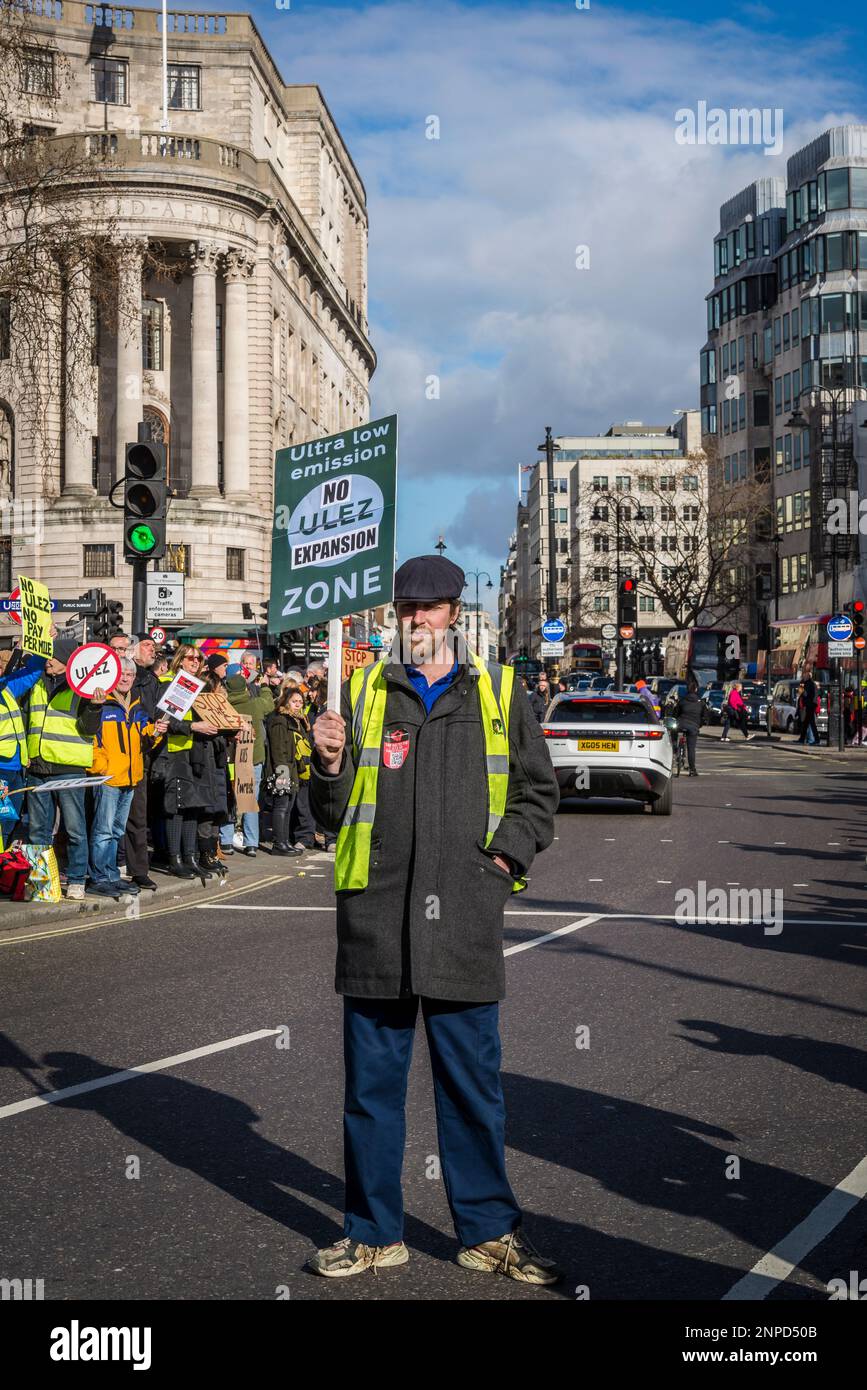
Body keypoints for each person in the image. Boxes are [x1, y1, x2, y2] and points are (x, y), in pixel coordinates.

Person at [307, 553, 562, 1284]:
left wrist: (501, 866)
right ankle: (371, 1232)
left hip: (462, 920)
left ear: (454, 610)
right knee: (369, 1093)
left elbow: (536, 795)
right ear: (394, 613)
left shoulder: (499, 689)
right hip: (376, 923)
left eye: (432, 607)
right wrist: (324, 766)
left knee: (471, 1091)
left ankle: (487, 1232)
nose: (418, 619)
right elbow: (329, 814)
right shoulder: (360, 691)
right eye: (406, 608)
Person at [25, 638, 106, 900]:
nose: (49, 661)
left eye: (54, 657)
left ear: (68, 661)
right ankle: (41, 883)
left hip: (68, 768)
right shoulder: (36, 682)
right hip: (37, 765)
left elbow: (89, 729)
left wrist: (94, 707)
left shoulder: (82, 689)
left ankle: (76, 880)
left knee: (74, 828)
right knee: (38, 829)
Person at [88, 657, 169, 898]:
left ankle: (111, 875)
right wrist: (102, 768)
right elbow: (91, 739)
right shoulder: (102, 702)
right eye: (122, 673)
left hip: (130, 778)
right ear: (113, 676)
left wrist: (155, 732)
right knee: (103, 831)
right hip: (110, 778)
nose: (125, 677)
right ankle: (99, 877)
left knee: (116, 832)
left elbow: (144, 737)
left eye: (130, 675)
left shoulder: (136, 704)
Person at [149, 646, 220, 878]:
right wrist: (193, 727)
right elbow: (164, 720)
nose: (196, 662)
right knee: (176, 808)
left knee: (193, 807)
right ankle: (174, 858)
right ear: (180, 660)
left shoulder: (198, 686)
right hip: (175, 753)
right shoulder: (171, 683)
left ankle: (190, 857)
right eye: (191, 658)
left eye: (200, 659)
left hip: (195, 753)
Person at [220, 673, 275, 857]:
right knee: (250, 799)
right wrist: (265, 686)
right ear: (245, 688)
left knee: (230, 798)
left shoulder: (225, 707)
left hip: (230, 759)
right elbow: (270, 703)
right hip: (253, 759)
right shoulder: (256, 704)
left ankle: (226, 841)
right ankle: (251, 843)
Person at [122, 635, 161, 891]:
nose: (154, 650)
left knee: (137, 817)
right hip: (111, 762)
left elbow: (152, 717)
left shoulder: (150, 680)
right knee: (108, 822)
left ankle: (138, 870)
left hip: (139, 758)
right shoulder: (116, 684)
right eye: (148, 645)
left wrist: (156, 732)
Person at [0, 644, 48, 849]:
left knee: (11, 821)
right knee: (2, 823)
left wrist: (44, 642)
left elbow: (34, 670)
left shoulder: (6, 687)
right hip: (2, 768)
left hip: (16, 768)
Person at [264, 688, 306, 856]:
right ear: (286, 701)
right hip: (283, 769)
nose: (298, 705)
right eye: (294, 701)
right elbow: (278, 748)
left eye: (301, 702)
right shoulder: (280, 720)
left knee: (288, 806)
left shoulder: (297, 721)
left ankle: (285, 841)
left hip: (293, 768)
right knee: (281, 806)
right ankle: (279, 843)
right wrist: (282, 772)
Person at [673, 678, 705, 776]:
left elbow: (675, 714)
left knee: (673, 730)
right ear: (696, 690)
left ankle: (674, 747)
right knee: (691, 748)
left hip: (680, 723)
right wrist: (699, 725)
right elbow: (705, 716)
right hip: (693, 726)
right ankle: (692, 770)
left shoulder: (682, 701)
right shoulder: (701, 702)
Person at [798, 674, 819, 746]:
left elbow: (804, 694)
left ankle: (817, 740)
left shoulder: (808, 684)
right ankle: (802, 739)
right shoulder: (811, 683)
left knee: (812, 723)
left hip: (810, 705)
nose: (803, 677)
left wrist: (801, 686)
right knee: (806, 723)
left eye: (804, 676)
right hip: (810, 704)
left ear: (808, 677)